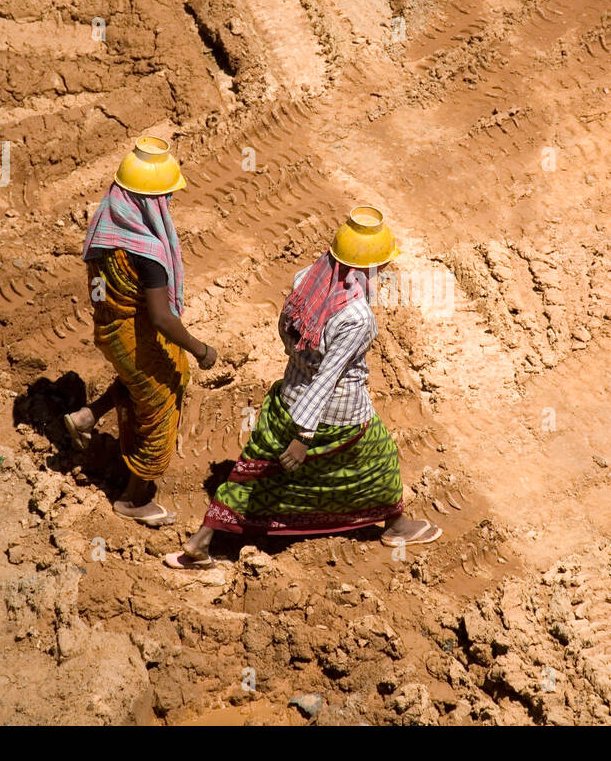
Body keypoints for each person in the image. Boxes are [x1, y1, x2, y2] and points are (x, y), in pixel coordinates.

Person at [164, 205, 440, 569]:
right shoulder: (357, 317)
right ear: (365, 268)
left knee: (254, 472)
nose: (385, 270)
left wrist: (300, 362)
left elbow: (287, 330)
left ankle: (203, 541)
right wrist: (304, 437)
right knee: (380, 461)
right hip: (339, 415)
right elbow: (328, 378)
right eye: (382, 264)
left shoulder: (306, 279)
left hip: (288, 397)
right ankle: (396, 525)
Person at [64, 135, 217, 527]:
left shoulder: (109, 224)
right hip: (134, 333)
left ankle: (88, 415)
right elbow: (163, 318)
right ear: (152, 202)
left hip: (110, 328)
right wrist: (201, 350)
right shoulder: (148, 255)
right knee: (161, 399)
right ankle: (133, 499)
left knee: (149, 377)